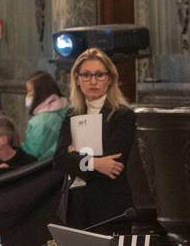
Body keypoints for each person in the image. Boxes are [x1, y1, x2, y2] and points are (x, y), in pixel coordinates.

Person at [54, 49, 137, 230]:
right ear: (77, 79)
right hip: (76, 203)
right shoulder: (71, 114)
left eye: (99, 75)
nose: (93, 81)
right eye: (86, 75)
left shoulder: (122, 115)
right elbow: (60, 159)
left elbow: (113, 164)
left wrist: (75, 157)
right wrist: (94, 163)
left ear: (109, 79)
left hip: (109, 204)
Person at [19, 71, 69, 163]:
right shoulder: (66, 110)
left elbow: (33, 152)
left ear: (40, 93)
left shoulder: (40, 122)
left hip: (42, 169)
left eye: (30, 92)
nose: (27, 96)